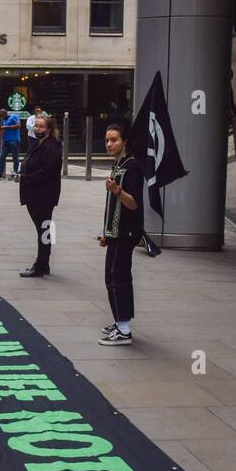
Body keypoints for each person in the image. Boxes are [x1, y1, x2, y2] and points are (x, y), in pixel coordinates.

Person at [96, 123, 144, 347]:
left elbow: (133, 203)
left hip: (127, 232)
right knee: (110, 276)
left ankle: (124, 329)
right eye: (107, 140)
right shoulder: (118, 165)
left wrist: (117, 190)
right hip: (115, 232)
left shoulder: (132, 167)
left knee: (120, 276)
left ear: (124, 141)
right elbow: (112, 205)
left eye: (114, 139)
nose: (109, 144)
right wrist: (106, 232)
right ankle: (118, 321)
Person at [17, 114, 62, 278]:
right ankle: (44, 264)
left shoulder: (52, 147)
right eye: (36, 126)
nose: (37, 129)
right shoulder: (39, 143)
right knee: (45, 229)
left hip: (43, 195)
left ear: (49, 129)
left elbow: (47, 171)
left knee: (45, 230)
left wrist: (25, 178)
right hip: (37, 194)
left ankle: (41, 265)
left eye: (41, 127)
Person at [0, 107, 22, 180]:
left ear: (5, 113)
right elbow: (1, 132)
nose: (1, 116)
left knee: (15, 157)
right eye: (0, 115)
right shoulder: (3, 120)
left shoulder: (14, 116)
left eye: (2, 115)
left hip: (14, 140)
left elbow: (18, 126)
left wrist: (6, 127)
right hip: (6, 141)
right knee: (2, 156)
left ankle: (15, 172)